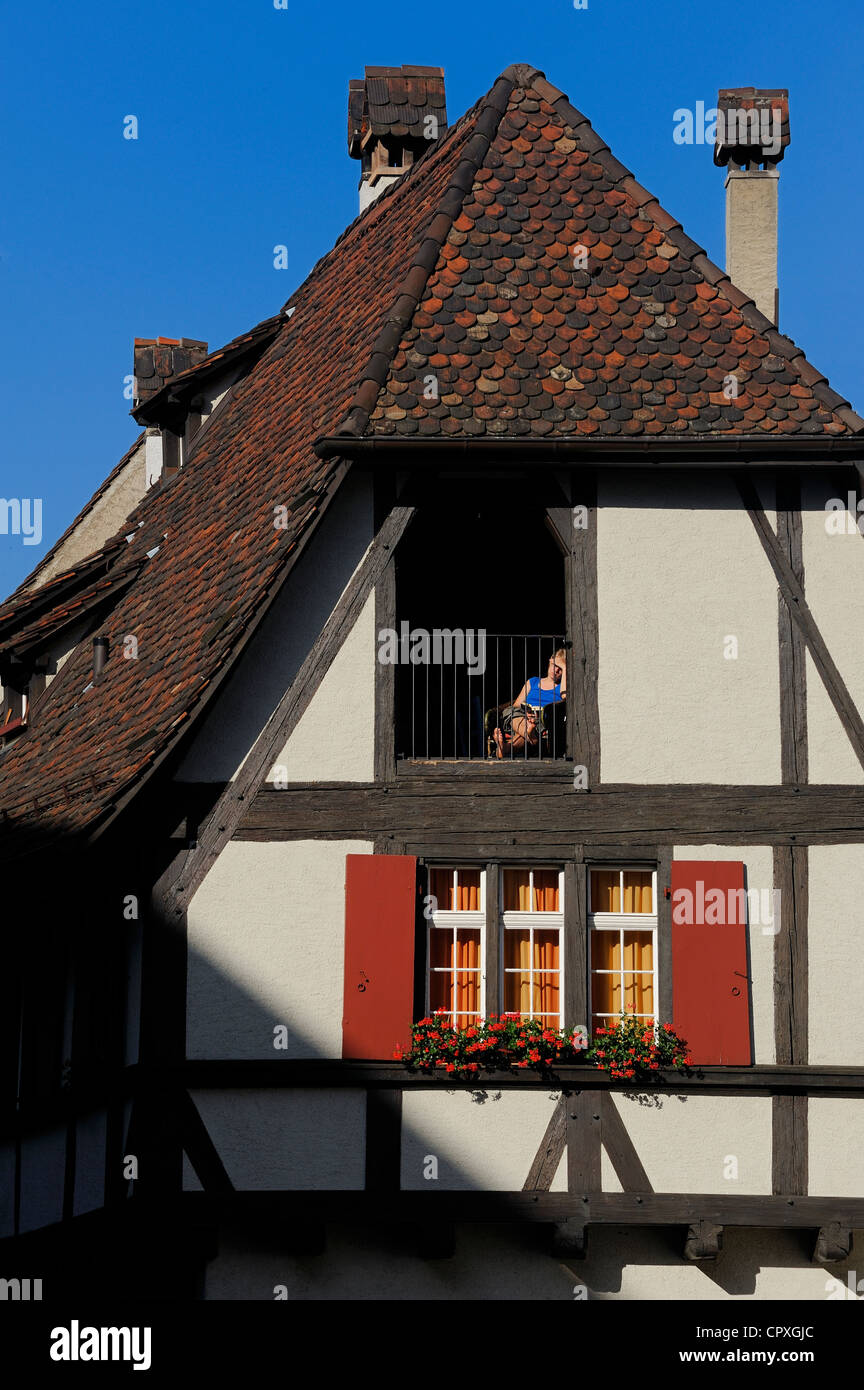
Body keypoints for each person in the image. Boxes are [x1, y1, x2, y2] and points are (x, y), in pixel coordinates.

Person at [492, 649, 566, 758]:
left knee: (532, 726)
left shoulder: (561, 688)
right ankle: (531, 736)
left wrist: (565, 668)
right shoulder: (533, 682)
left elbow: (564, 697)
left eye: (560, 669)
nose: (556, 670)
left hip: (542, 722)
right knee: (510, 711)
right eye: (555, 665)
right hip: (522, 718)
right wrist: (525, 715)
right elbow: (516, 706)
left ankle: (505, 748)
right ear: (550, 661)